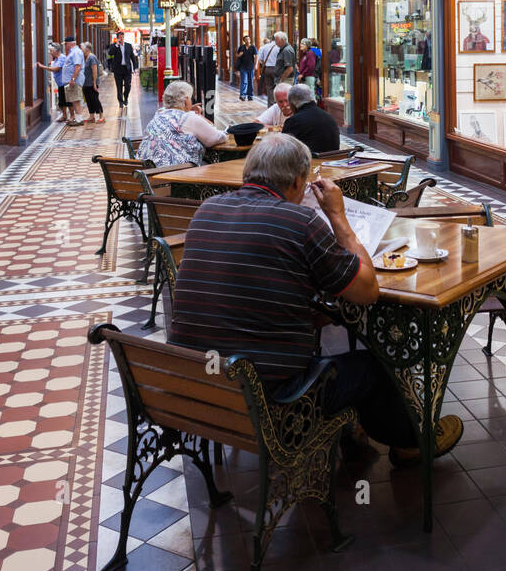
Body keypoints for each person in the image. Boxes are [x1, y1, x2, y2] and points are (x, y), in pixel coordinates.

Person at [168, 133, 462, 466]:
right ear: (297, 181)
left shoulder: (208, 210)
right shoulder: (301, 222)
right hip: (272, 397)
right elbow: (367, 291)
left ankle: (352, 427)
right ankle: (410, 444)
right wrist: (338, 217)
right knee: (374, 367)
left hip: (198, 382)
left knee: (336, 356)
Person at [138, 79, 228, 166]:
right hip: (174, 174)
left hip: (148, 172)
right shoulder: (188, 118)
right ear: (185, 101)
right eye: (190, 98)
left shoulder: (159, 113)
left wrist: (187, 110)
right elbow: (216, 138)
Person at [282, 83, 341, 154]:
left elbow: (283, 150)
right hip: (332, 161)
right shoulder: (328, 116)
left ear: (292, 103)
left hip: (311, 163)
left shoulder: (294, 121)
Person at [107, 30, 139, 109]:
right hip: (118, 69)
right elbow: (110, 53)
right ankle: (120, 101)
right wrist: (117, 45)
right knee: (119, 86)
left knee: (128, 85)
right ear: (117, 38)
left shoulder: (128, 46)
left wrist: (135, 67)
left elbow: (132, 58)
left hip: (127, 69)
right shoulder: (114, 46)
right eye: (120, 38)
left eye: (122, 37)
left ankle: (126, 97)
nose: (121, 39)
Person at [37, 42, 67, 123]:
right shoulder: (57, 59)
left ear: (56, 51)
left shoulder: (62, 58)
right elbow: (54, 65)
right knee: (61, 101)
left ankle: (70, 116)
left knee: (66, 101)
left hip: (64, 83)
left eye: (51, 51)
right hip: (60, 83)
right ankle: (64, 116)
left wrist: (43, 67)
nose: (50, 53)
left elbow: (56, 69)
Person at [60, 35, 85, 125]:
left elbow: (77, 66)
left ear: (70, 44)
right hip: (72, 81)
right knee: (74, 99)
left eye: (66, 44)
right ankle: (77, 118)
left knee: (76, 99)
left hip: (75, 81)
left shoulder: (76, 52)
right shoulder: (72, 52)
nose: (65, 46)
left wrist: (73, 79)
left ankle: (79, 119)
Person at [81, 42, 104, 124]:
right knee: (88, 100)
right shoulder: (86, 57)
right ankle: (91, 116)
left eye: (82, 48)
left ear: (87, 49)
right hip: (86, 83)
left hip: (91, 83)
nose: (81, 49)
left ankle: (101, 116)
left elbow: (95, 71)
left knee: (95, 99)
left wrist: (94, 83)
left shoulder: (92, 58)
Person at [235, 32, 257, 102]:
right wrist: (240, 54)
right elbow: (236, 55)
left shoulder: (253, 47)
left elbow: (256, 56)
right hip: (243, 67)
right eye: (246, 39)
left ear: (250, 40)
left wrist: (256, 65)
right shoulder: (241, 47)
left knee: (250, 81)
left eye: (248, 39)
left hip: (251, 67)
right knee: (244, 81)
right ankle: (243, 95)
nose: (247, 41)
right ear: (244, 41)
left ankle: (250, 96)